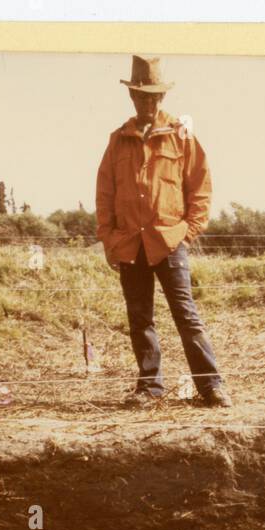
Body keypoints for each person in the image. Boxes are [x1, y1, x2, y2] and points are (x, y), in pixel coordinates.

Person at [95, 55, 232, 409]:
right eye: (142, 95)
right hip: (129, 244)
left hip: (169, 242)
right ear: (132, 97)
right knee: (140, 318)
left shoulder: (181, 137)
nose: (148, 102)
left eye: (154, 96)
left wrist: (187, 233)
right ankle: (149, 388)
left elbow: (200, 188)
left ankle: (211, 386)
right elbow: (105, 194)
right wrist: (110, 240)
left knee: (186, 315)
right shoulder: (117, 141)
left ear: (162, 98)